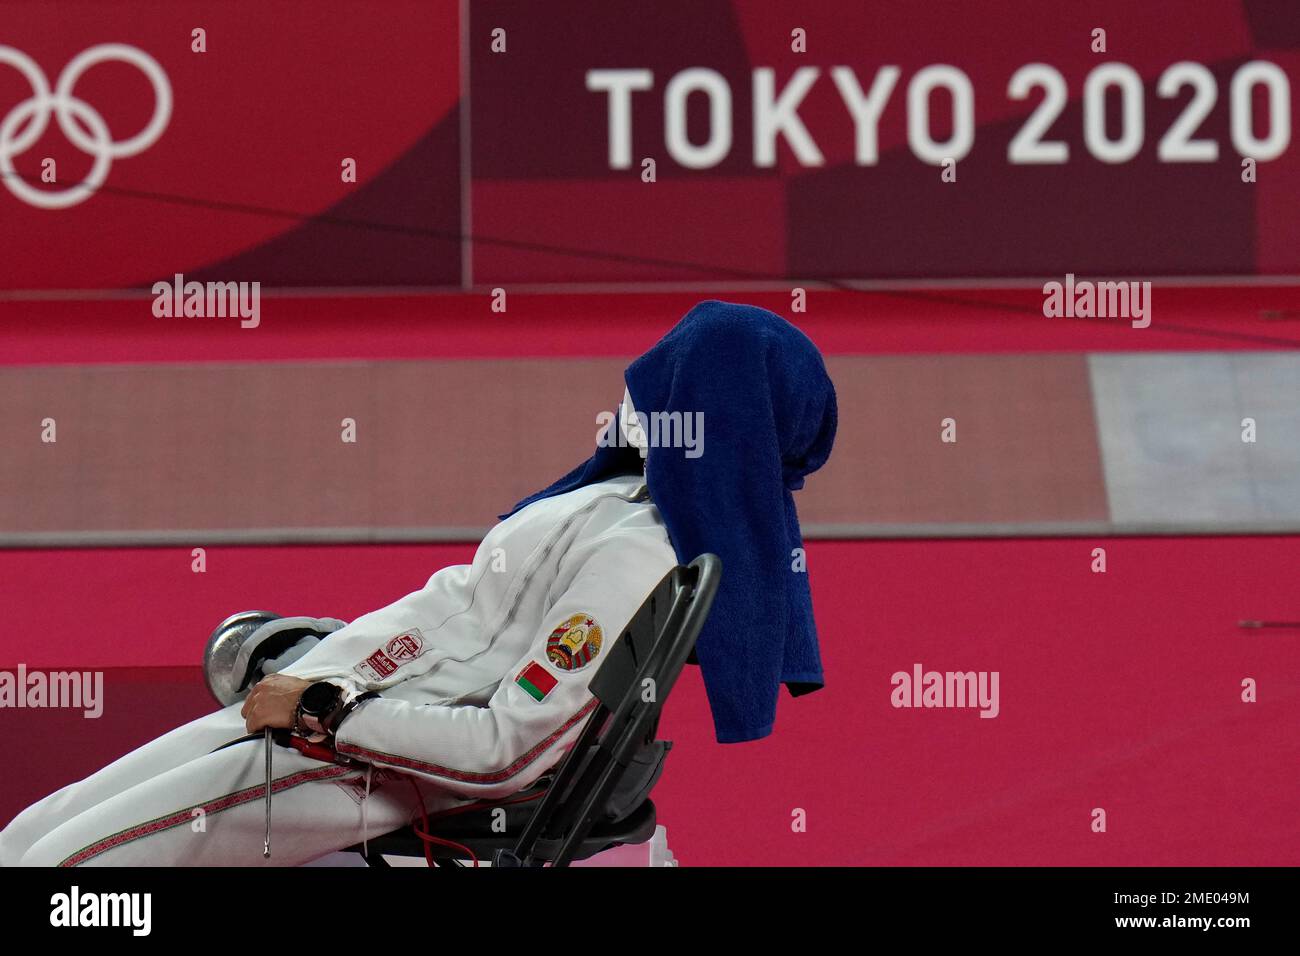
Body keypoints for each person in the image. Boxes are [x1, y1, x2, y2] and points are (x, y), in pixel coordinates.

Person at [0, 300, 837, 866]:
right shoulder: (611, 500)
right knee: (28, 837)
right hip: (325, 698)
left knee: (62, 878)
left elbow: (513, 750)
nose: (629, 389)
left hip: (354, 761)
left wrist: (328, 712)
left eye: (657, 380)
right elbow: (463, 626)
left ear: (703, 409)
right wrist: (322, 663)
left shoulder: (640, 555)